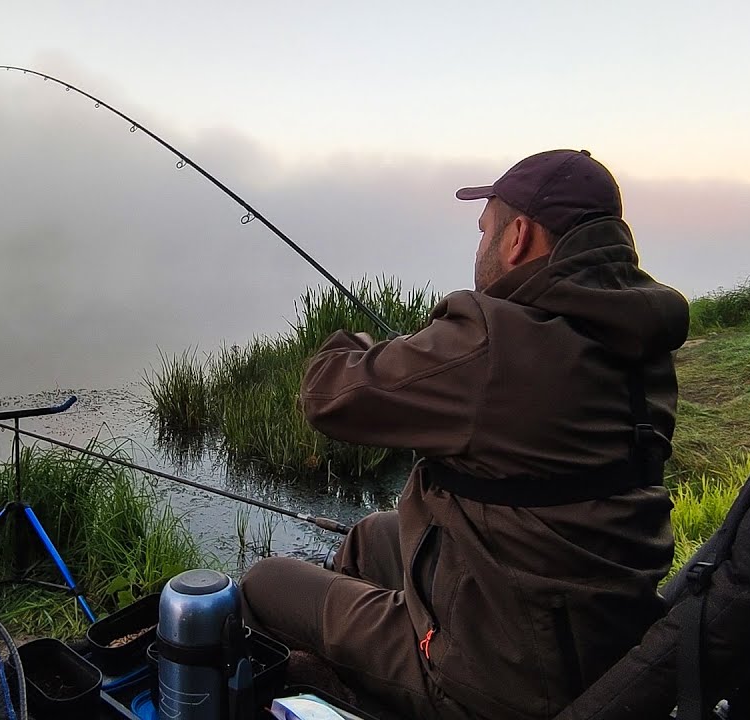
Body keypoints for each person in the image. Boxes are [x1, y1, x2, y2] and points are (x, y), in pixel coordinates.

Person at [240, 149, 690, 720]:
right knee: (374, 536)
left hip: (499, 677)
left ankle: (378, 685)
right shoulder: (639, 343)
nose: (478, 248)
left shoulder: (492, 345)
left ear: (519, 236)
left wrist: (350, 342)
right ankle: (372, 665)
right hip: (592, 628)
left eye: (484, 231)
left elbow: (329, 396)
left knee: (262, 582)